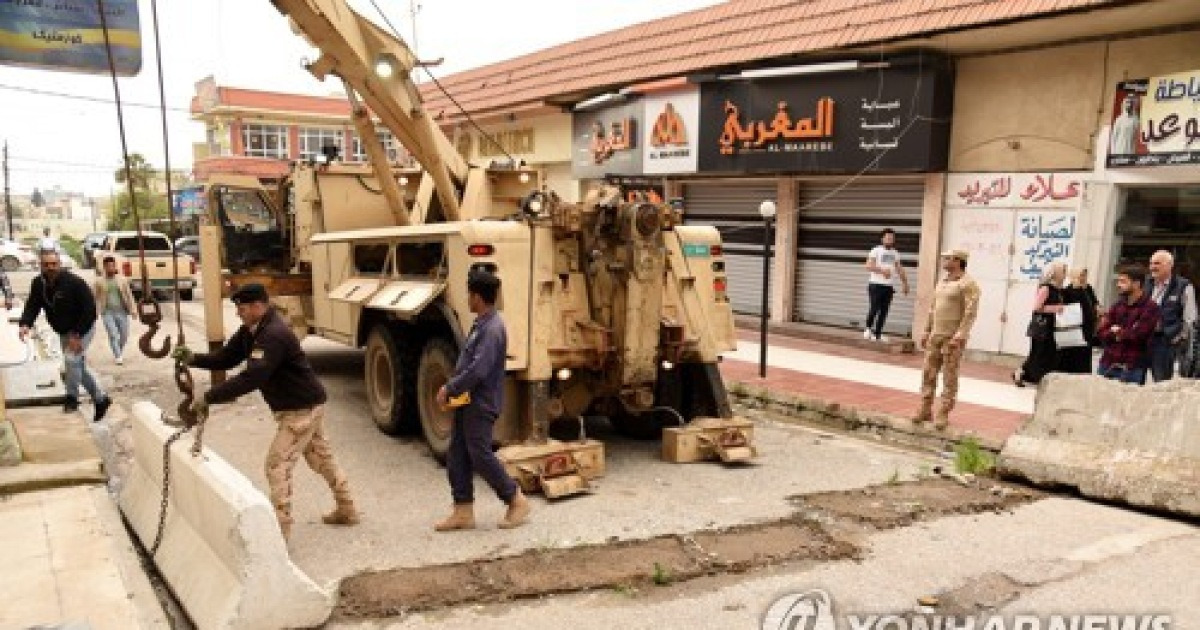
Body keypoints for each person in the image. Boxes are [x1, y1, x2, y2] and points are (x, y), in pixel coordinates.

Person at [173, 283, 358, 540]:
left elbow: (252, 377)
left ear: (259, 306)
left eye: (243, 308)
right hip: (303, 404)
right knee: (321, 459)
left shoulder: (272, 335)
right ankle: (347, 509)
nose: (238, 312)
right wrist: (194, 359)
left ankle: (281, 532)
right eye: (238, 307)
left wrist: (209, 397)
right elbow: (227, 357)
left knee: (277, 465)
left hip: (300, 410)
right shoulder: (253, 330)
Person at [433, 269, 531, 532]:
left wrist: (450, 388)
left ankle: (515, 498)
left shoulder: (492, 329)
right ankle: (462, 510)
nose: (467, 298)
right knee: (458, 454)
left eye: (469, 294)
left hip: (481, 402)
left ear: (477, 297)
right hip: (468, 400)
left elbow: (479, 370)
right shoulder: (482, 323)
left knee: (479, 454)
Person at [18, 250, 113, 421]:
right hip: (63, 331)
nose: (50, 268)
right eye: (46, 265)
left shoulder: (75, 283)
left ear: (59, 264)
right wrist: (25, 324)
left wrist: (77, 334)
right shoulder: (38, 284)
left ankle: (71, 398)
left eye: (53, 264)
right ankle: (101, 399)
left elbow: (90, 311)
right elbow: (32, 305)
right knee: (77, 368)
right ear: (41, 265)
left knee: (71, 360)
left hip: (82, 328)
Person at [917, 249, 981, 430]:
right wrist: (926, 330)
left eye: (947, 258)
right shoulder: (942, 281)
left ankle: (943, 411)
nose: (944, 261)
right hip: (935, 335)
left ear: (958, 261)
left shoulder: (968, 284)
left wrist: (961, 334)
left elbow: (970, 312)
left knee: (949, 376)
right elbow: (932, 308)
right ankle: (925, 407)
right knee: (928, 372)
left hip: (952, 339)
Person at [1098, 265, 1160, 384]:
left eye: (1123, 281)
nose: (1118, 285)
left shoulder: (1150, 307)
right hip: (1107, 364)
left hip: (1132, 367)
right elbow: (1101, 332)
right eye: (1118, 281)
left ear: (1136, 284)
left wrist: (1118, 332)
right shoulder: (1117, 305)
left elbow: (1139, 336)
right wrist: (1115, 333)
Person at [1145, 250, 1197, 382]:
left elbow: (1190, 318)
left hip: (1165, 342)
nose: (1152, 267)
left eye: (1157, 263)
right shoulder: (1146, 283)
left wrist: (1180, 337)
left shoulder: (1183, 285)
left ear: (1169, 265)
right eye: (1151, 263)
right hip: (1144, 339)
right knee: (1140, 382)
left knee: (1161, 382)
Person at [1014, 261, 1067, 386]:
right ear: (1056, 273)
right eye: (1063, 272)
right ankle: (1022, 373)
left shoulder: (1058, 290)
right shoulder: (1046, 288)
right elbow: (1036, 307)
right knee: (1037, 354)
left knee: (1047, 354)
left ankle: (1030, 376)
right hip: (1042, 327)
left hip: (1051, 327)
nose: (1065, 275)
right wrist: (1055, 308)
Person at [863, 228, 910, 342]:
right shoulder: (876, 250)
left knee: (884, 311)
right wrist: (882, 270)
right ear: (882, 239)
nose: (890, 240)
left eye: (892, 238)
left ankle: (878, 334)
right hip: (875, 285)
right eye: (888, 238)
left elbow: (899, 269)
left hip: (888, 286)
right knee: (874, 308)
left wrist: (905, 283)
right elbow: (868, 266)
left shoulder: (895, 253)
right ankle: (868, 329)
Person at [92, 256, 136, 365]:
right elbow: (94, 297)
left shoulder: (122, 280)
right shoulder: (99, 282)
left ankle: (119, 351)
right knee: (112, 334)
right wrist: (94, 311)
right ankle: (118, 355)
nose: (110, 268)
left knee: (124, 335)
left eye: (112, 265)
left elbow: (129, 295)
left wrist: (133, 309)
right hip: (107, 312)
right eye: (108, 266)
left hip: (121, 311)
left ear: (115, 266)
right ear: (104, 267)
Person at [1058, 267, 1101, 374]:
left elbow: (1095, 302)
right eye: (1081, 275)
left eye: (1085, 275)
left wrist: (1098, 308)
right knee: (1074, 352)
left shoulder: (1088, 288)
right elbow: (1065, 308)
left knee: (1086, 352)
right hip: (1075, 327)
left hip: (1088, 325)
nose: (1083, 277)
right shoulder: (1067, 290)